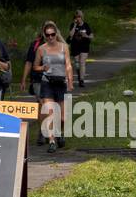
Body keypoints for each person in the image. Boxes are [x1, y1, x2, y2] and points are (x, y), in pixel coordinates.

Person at [34, 20, 73, 152]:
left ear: (56, 33)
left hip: (61, 83)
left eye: (52, 34)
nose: (50, 37)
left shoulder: (64, 47)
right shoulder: (41, 49)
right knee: (50, 113)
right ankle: (51, 141)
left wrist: (71, 81)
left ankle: (59, 134)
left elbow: (68, 65)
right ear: (44, 36)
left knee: (62, 117)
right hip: (47, 83)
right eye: (47, 35)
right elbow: (35, 66)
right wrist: (42, 68)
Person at [68, 10, 93, 87]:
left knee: (82, 62)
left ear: (82, 17)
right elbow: (71, 35)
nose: (78, 18)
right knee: (77, 63)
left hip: (84, 46)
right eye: (76, 17)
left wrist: (87, 36)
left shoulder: (86, 25)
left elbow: (92, 36)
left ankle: (82, 80)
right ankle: (79, 75)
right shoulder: (73, 25)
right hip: (75, 46)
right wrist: (75, 26)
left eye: (79, 17)